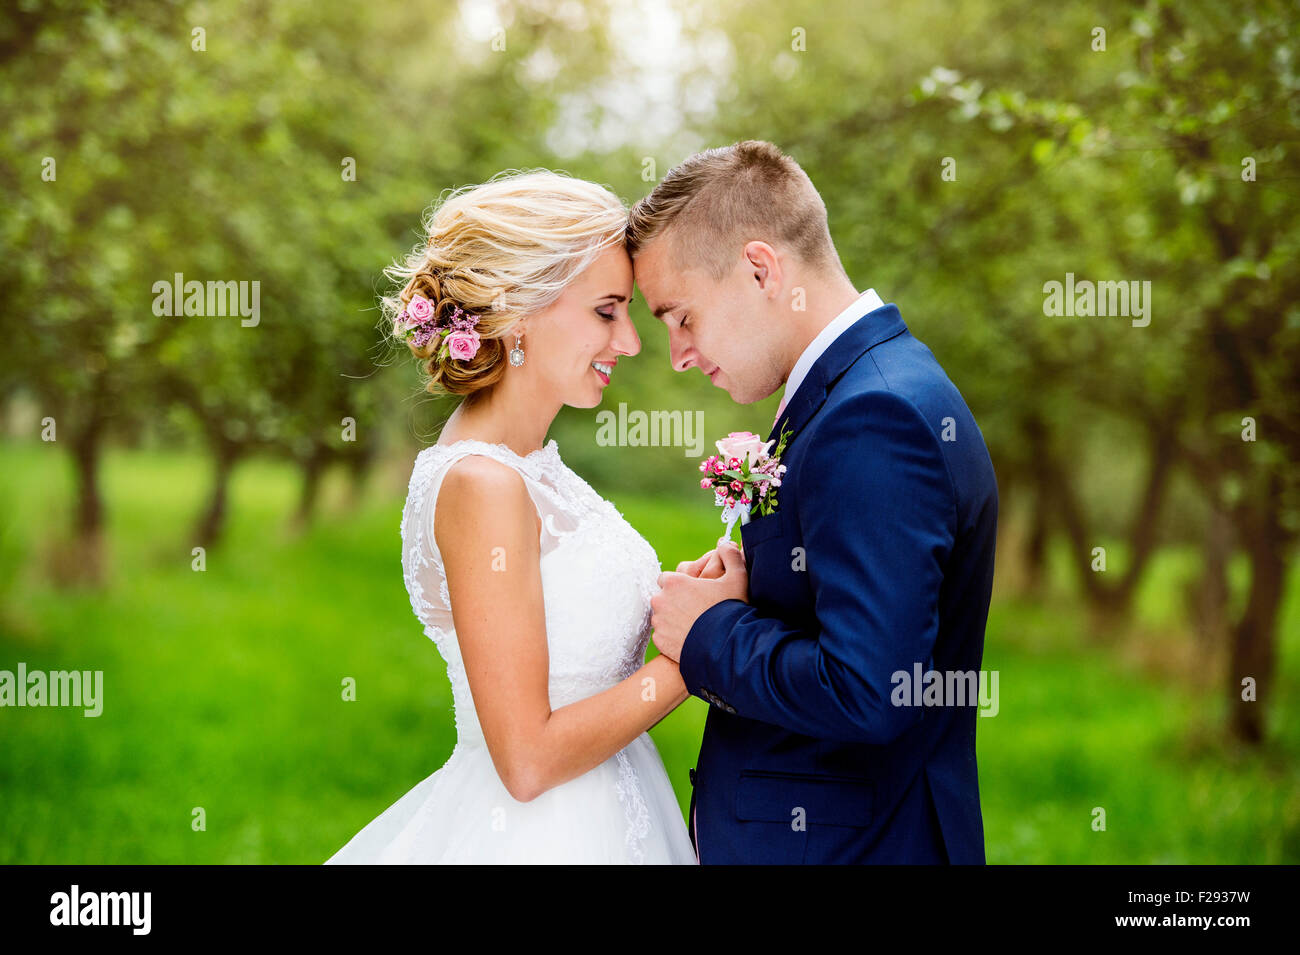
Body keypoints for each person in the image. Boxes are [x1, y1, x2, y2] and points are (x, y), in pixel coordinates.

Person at [631, 141, 999, 864]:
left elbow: (869, 687)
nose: (676, 353)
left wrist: (709, 632)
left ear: (761, 269)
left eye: (680, 317)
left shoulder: (874, 418)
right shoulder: (857, 390)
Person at [325, 170, 700, 864]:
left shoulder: (533, 465)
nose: (631, 343)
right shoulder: (482, 482)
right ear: (519, 310)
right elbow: (526, 761)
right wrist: (697, 655)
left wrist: (689, 593)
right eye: (606, 311)